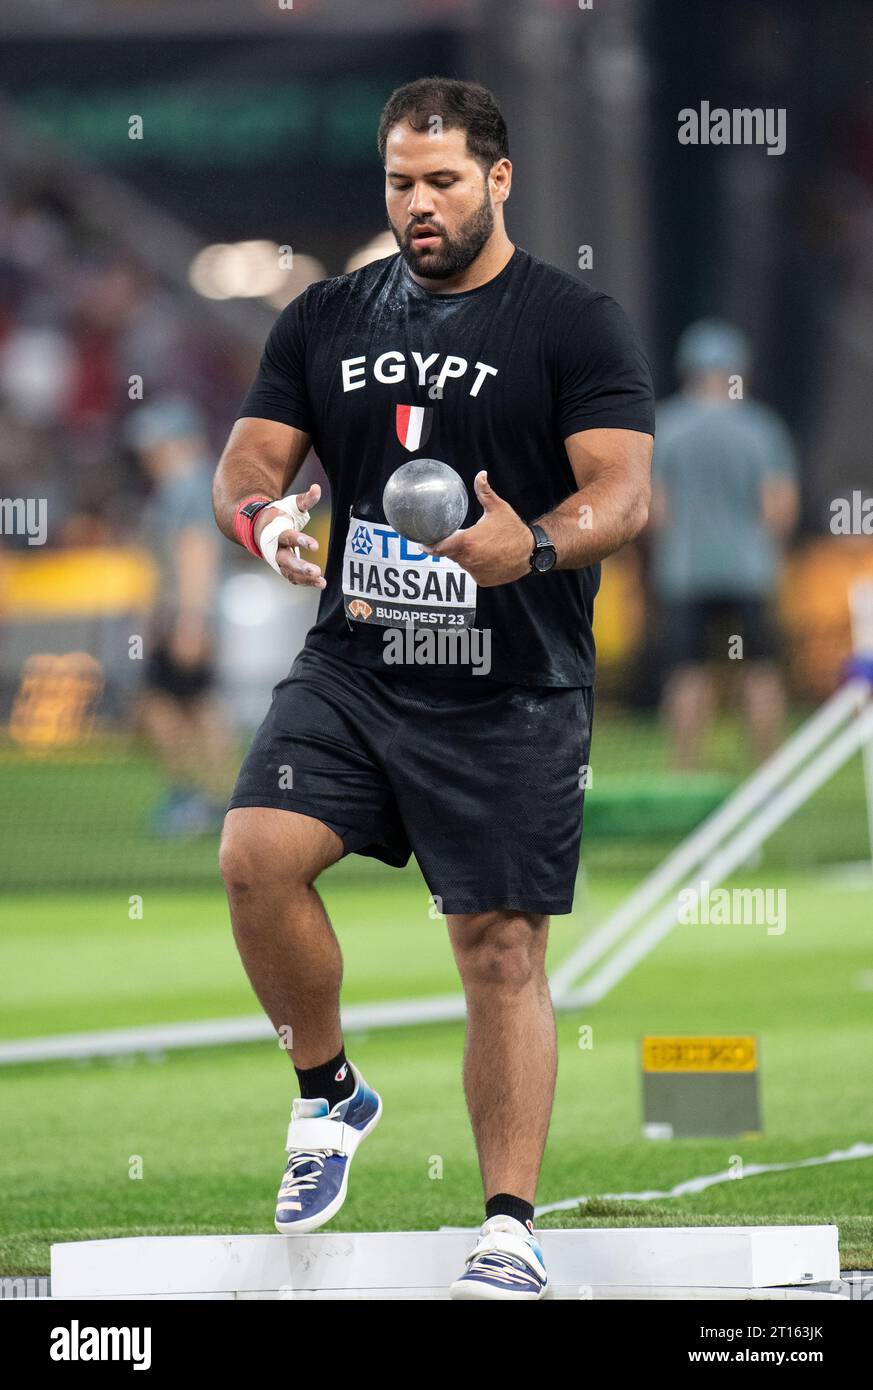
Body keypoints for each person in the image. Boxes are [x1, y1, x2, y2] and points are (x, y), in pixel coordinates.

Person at [212, 76, 654, 1300]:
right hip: (358, 664)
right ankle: (330, 1092)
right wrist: (264, 524)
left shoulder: (573, 320)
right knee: (254, 854)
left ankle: (509, 1225)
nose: (419, 203)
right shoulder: (324, 317)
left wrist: (541, 547)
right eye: (401, 180)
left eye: (443, 180)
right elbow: (250, 458)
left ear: (499, 181)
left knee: (497, 948)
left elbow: (622, 489)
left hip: (515, 683)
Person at [648, 320, 800, 770]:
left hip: (685, 571)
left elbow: (655, 508)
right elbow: (780, 508)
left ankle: (686, 772)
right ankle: (767, 773)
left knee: (687, 671)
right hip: (750, 570)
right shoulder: (761, 428)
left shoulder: (668, 426)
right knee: (761, 670)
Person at [126, 394, 235, 835]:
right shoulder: (190, 485)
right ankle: (212, 798)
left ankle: (196, 796)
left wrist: (190, 620)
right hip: (187, 616)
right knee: (198, 706)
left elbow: (197, 553)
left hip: (188, 618)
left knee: (169, 704)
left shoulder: (187, 486)